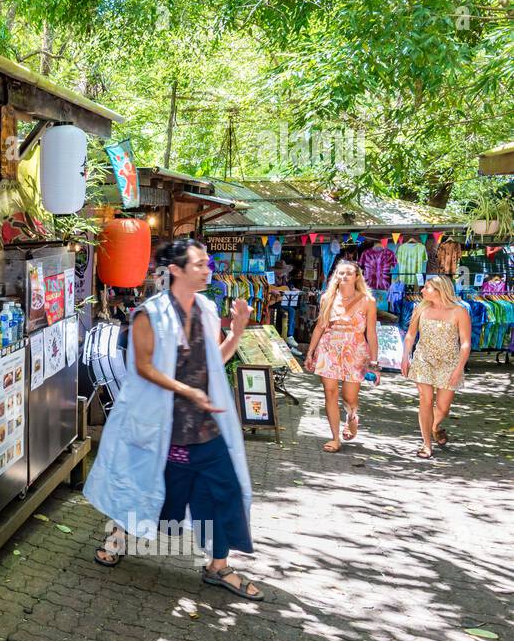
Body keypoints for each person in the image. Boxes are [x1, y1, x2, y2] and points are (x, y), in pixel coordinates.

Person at [84, 238, 263, 601]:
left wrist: (239, 330)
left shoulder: (208, 309)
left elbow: (216, 360)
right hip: (162, 427)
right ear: (177, 270)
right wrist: (187, 390)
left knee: (222, 490)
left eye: (206, 262)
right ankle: (119, 536)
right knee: (148, 485)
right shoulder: (148, 315)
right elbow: (143, 367)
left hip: (205, 425)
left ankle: (219, 565)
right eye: (198, 264)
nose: (206, 269)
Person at [304, 260, 378, 453]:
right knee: (330, 392)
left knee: (349, 398)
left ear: (357, 277)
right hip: (329, 348)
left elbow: (371, 333)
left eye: (348, 273)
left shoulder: (368, 301)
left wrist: (374, 362)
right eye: (340, 273)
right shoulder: (327, 298)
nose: (344, 277)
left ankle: (352, 416)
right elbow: (320, 326)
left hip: (355, 351)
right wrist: (310, 352)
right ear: (335, 276)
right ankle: (335, 437)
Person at [401, 275, 471, 458]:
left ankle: (434, 426)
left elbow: (465, 343)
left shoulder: (459, 311)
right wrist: (405, 356)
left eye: (427, 287)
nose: (422, 290)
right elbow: (410, 335)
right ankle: (426, 444)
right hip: (424, 359)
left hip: (450, 363)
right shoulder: (420, 308)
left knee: (443, 408)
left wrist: (459, 368)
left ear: (440, 290)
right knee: (425, 399)